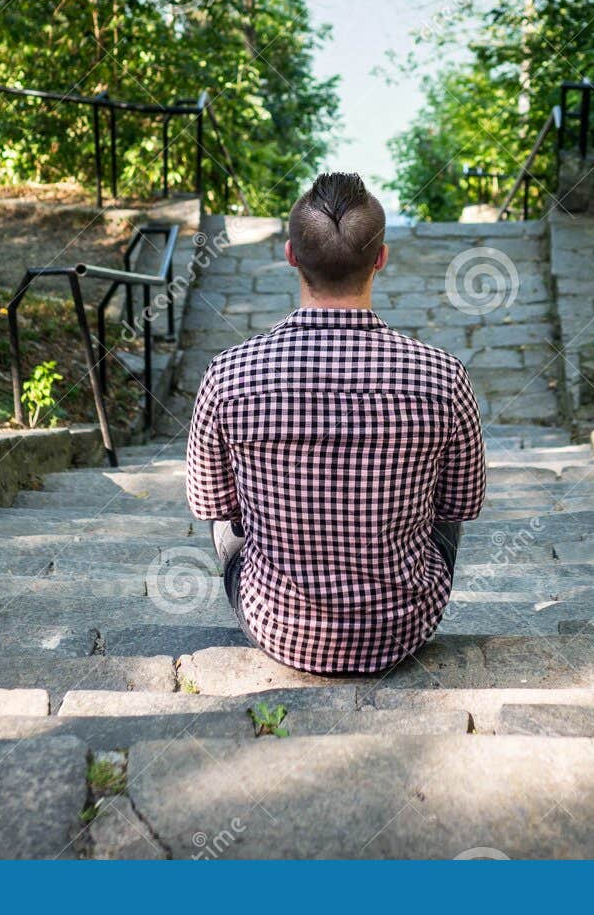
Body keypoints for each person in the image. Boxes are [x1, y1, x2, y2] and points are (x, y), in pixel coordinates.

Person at [185, 172, 486, 675]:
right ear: (381, 259)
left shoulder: (228, 373)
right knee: (442, 505)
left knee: (227, 520)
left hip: (277, 627)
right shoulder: (443, 376)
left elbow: (211, 505)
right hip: (405, 627)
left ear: (290, 255)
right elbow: (462, 505)